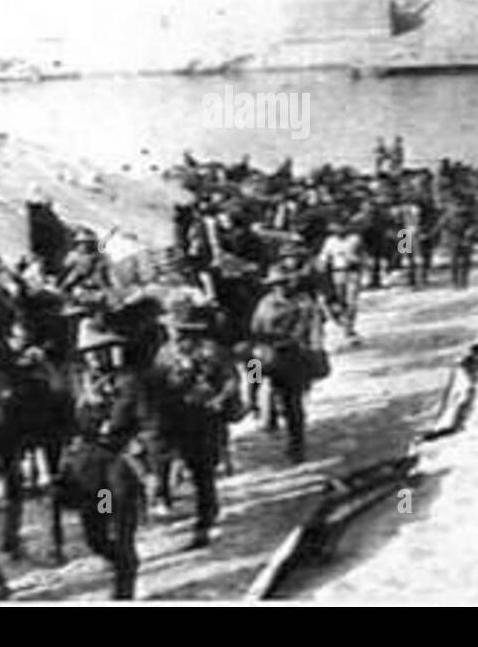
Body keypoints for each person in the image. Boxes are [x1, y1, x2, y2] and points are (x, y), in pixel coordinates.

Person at [60, 314, 149, 599]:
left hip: (120, 465)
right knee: (96, 536)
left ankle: (124, 588)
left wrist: (149, 458)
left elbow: (145, 420)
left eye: (100, 351)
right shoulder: (78, 383)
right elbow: (69, 422)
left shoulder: (129, 381)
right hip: (93, 472)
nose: (95, 358)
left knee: (121, 529)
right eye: (89, 353)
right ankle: (120, 561)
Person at [148, 297, 240, 549]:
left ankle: (206, 519)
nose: (173, 334)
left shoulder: (211, 351)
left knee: (203, 471)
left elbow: (233, 379)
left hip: (205, 419)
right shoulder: (165, 353)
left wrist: (220, 399)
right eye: (172, 329)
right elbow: (157, 384)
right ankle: (165, 498)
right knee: (170, 462)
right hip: (174, 419)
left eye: (178, 330)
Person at [248, 263, 315, 463]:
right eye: (276, 284)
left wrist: (288, 341)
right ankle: (256, 407)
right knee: (252, 373)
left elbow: (303, 329)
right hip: (266, 353)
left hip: (290, 355)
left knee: (292, 403)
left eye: (284, 283)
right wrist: (257, 345)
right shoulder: (265, 303)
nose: (280, 287)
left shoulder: (302, 302)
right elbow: (255, 327)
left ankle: (297, 444)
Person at [317, 219, 363, 340]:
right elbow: (324, 256)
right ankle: (343, 322)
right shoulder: (330, 241)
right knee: (340, 299)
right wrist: (322, 264)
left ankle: (349, 327)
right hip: (337, 272)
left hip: (352, 271)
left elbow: (362, 256)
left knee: (351, 300)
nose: (339, 230)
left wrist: (354, 259)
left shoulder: (355, 239)